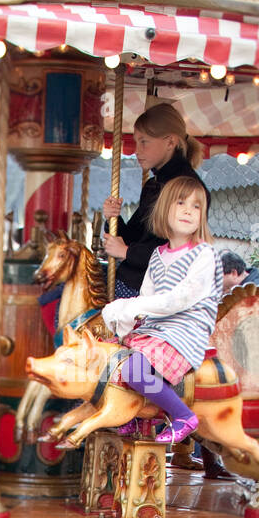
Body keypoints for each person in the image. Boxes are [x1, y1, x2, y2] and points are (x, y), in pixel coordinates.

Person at [100, 175, 222, 446]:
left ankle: (182, 416)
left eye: (196, 206)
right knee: (106, 357)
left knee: (133, 370)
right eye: (181, 203)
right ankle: (133, 412)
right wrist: (125, 319)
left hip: (184, 333)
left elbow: (176, 300)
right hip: (156, 330)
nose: (189, 210)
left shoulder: (204, 255)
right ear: (165, 208)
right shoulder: (157, 255)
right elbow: (147, 297)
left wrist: (127, 305)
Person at [101, 101, 209, 299]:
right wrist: (113, 219)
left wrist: (126, 252)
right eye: (136, 142)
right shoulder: (155, 185)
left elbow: (176, 250)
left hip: (153, 287)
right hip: (134, 278)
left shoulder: (187, 189)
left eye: (144, 141)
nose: (137, 150)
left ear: (170, 142)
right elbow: (134, 236)